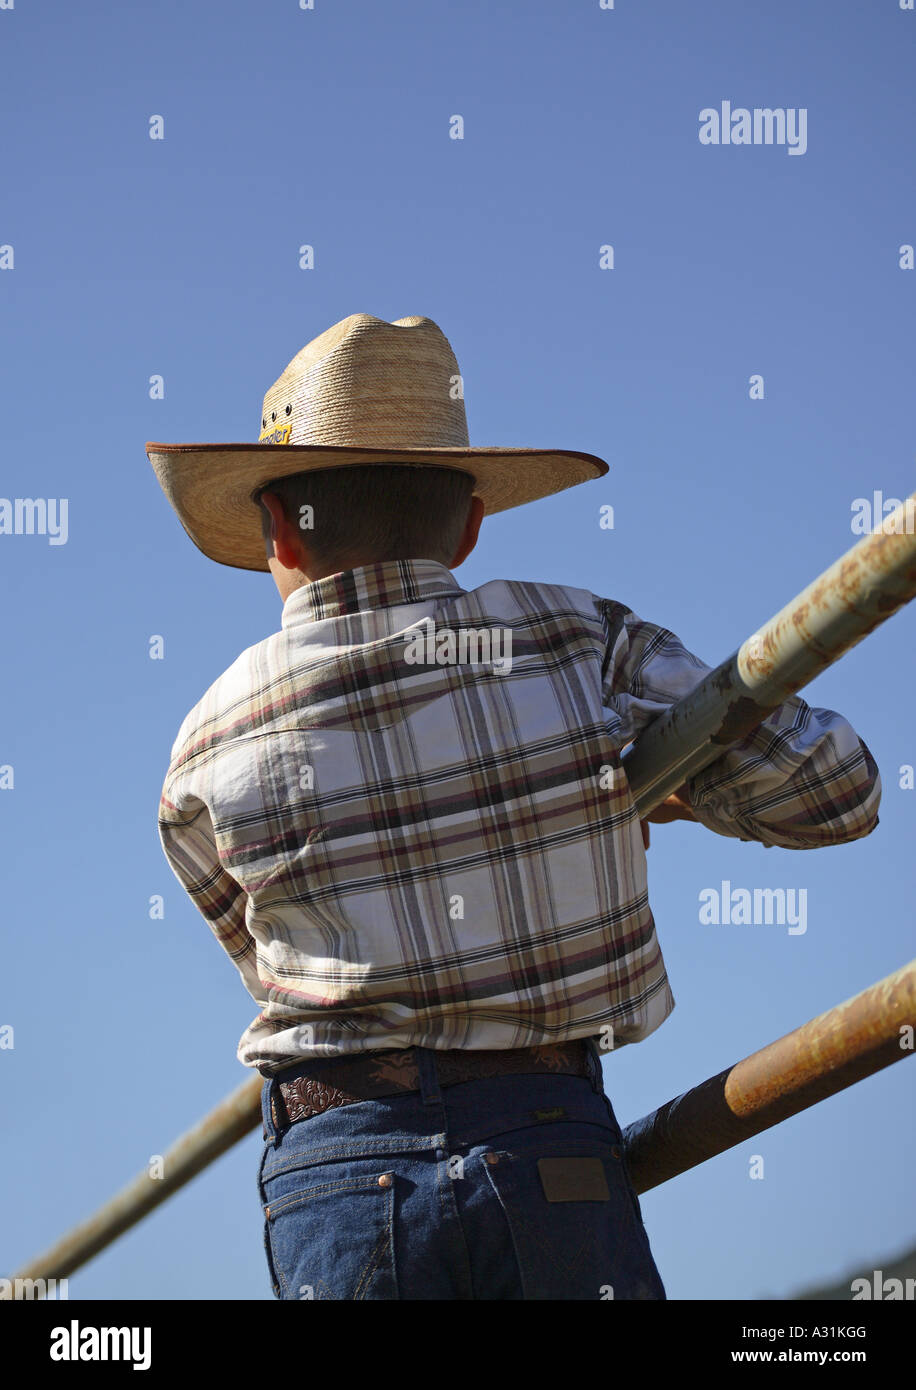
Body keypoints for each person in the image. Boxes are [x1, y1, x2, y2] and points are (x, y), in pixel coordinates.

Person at [148, 313, 881, 1301]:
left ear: (279, 528)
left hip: (334, 1163)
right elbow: (837, 789)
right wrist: (659, 791)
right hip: (545, 1140)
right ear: (471, 524)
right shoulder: (576, 640)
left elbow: (273, 962)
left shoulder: (202, 744)